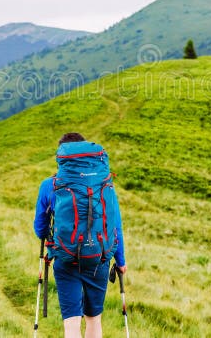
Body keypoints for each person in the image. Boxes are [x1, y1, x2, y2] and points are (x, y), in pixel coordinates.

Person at [34, 132, 127, 338]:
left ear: (62, 156)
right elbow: (115, 225)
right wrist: (120, 261)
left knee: (72, 322)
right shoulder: (105, 184)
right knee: (94, 319)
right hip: (99, 258)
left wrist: (50, 242)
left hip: (66, 258)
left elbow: (39, 227)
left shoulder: (49, 185)